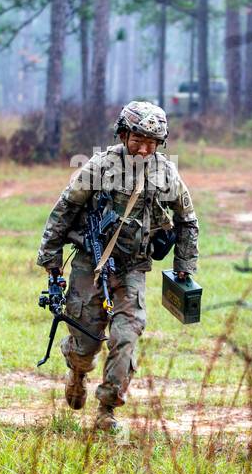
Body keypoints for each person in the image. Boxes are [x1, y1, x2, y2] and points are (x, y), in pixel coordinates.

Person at [36, 101, 199, 433]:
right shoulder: (99, 167)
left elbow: (187, 220)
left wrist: (184, 264)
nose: (144, 149)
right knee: (86, 344)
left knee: (125, 338)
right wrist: (52, 263)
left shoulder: (165, 173)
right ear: (124, 135)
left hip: (132, 269)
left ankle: (107, 411)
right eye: (138, 140)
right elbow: (64, 210)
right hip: (89, 263)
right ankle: (77, 370)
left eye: (152, 143)